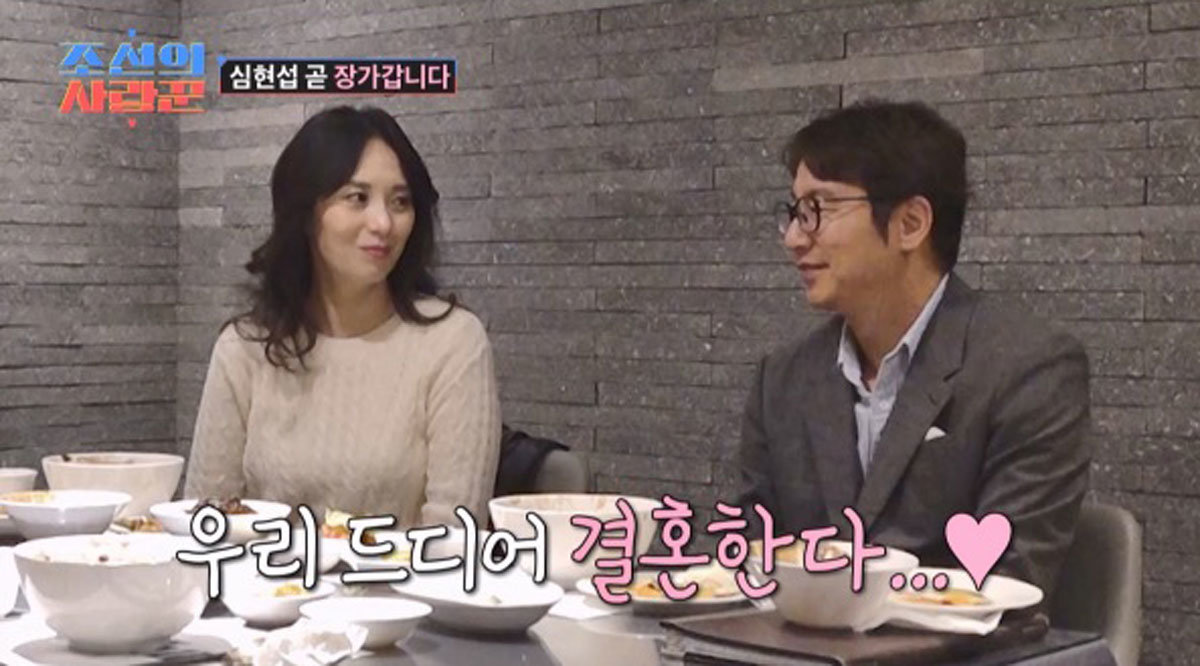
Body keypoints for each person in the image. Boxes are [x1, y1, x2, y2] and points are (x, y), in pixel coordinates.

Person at [736, 100, 1091, 598]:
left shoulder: (1028, 370)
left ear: (910, 224)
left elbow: (1005, 588)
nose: (794, 237)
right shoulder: (782, 379)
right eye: (794, 212)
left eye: (819, 209)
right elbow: (751, 559)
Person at [184, 106, 501, 528]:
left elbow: (453, 536)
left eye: (400, 202)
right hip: (260, 572)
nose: (383, 223)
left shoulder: (453, 342)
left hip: (407, 574)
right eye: (357, 198)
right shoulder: (245, 347)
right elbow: (204, 521)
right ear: (305, 212)